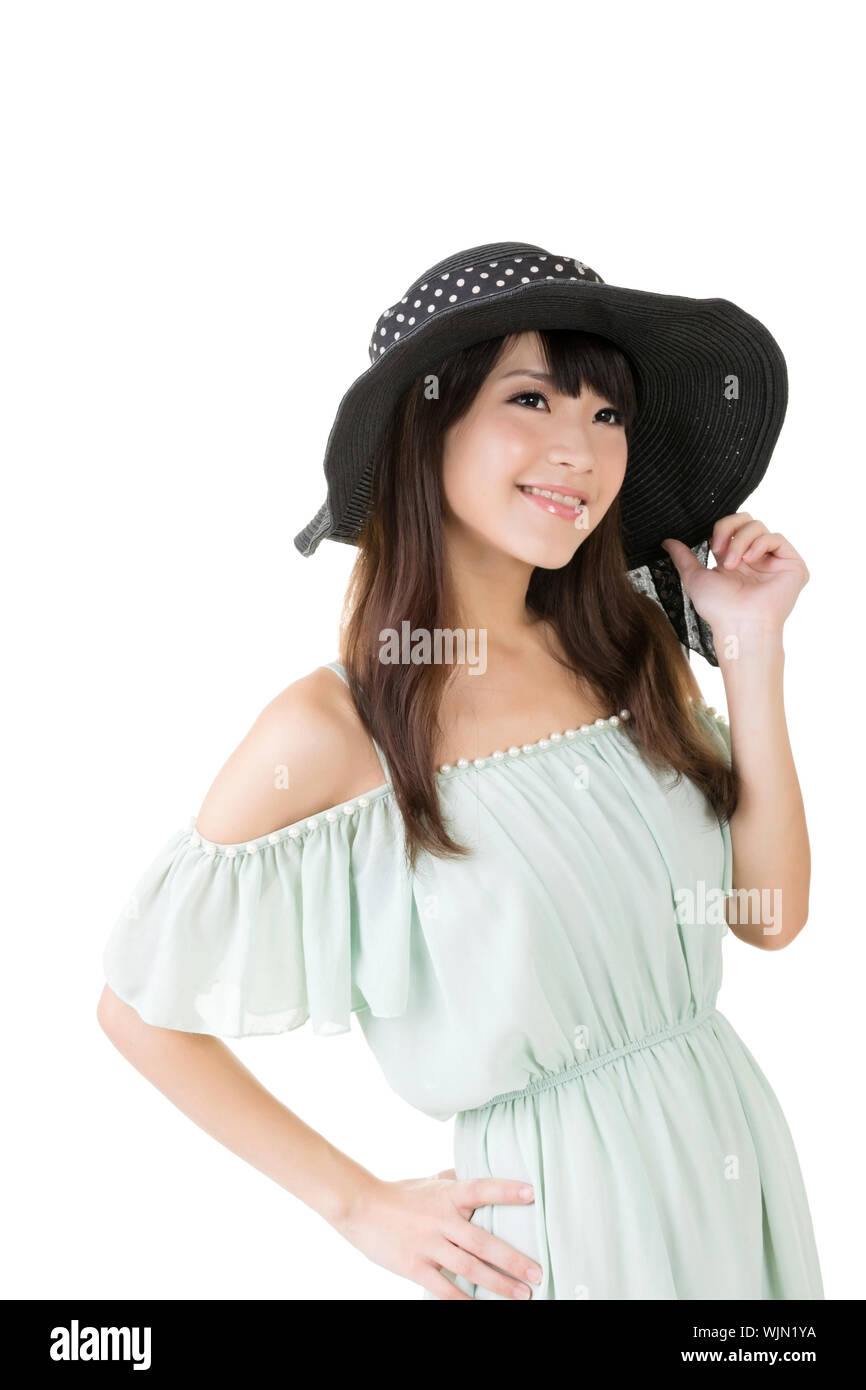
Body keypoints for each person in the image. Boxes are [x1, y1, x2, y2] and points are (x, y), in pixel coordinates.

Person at [98, 242, 824, 1300]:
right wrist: (359, 1206)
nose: (578, 449)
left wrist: (750, 650)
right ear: (423, 425)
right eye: (531, 399)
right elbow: (137, 1007)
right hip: (555, 1216)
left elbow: (769, 917)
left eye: (606, 416)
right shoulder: (335, 725)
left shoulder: (629, 650)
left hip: (728, 1151)